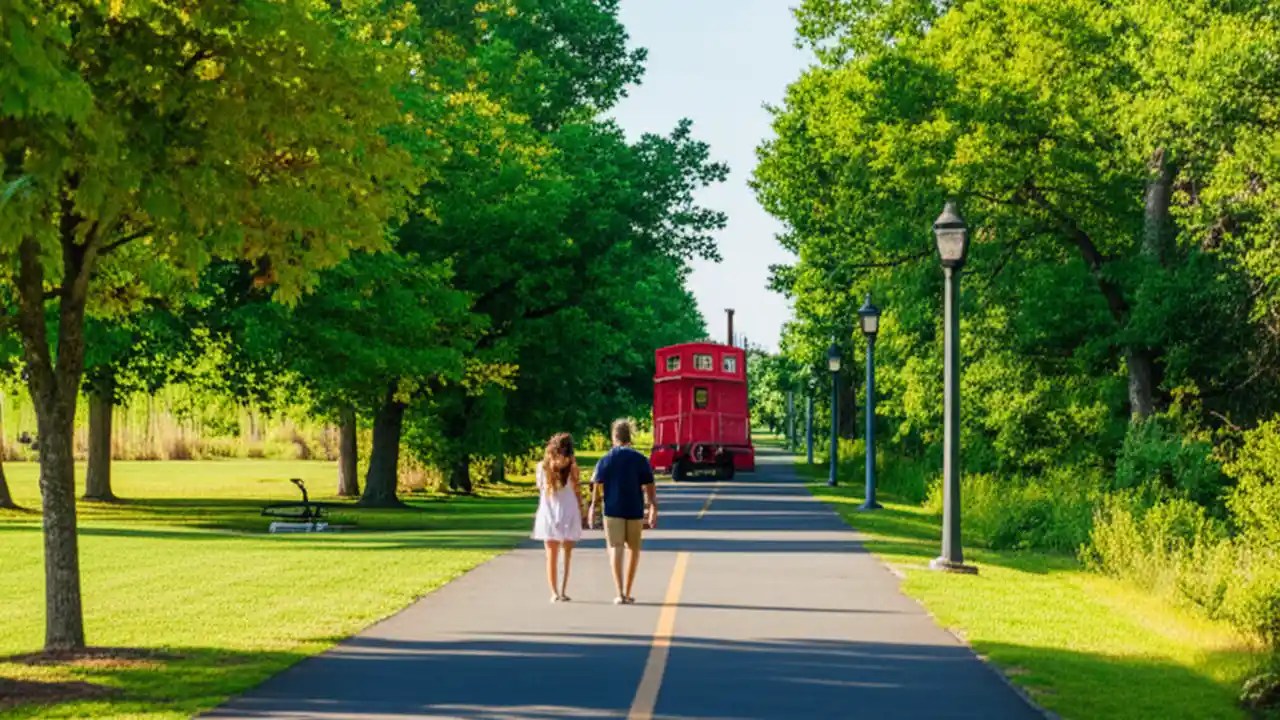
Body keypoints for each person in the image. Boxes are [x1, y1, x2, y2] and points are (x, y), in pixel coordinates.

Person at [587, 418, 657, 605]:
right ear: (630, 436)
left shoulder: (606, 459)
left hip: (612, 509)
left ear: (613, 437)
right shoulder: (640, 459)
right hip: (634, 508)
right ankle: (628, 588)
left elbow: (597, 485)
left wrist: (593, 506)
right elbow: (649, 485)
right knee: (633, 549)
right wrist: (652, 507)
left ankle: (619, 592)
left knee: (616, 547)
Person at [532, 433, 585, 602]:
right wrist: (582, 508)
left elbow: (540, 487)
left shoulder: (542, 467)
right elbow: (577, 491)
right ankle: (562, 590)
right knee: (566, 554)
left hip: (548, 511)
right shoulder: (573, 467)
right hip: (568, 511)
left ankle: (554, 592)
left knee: (551, 555)